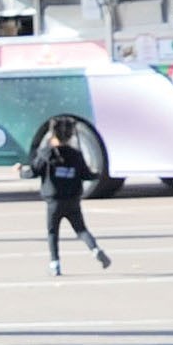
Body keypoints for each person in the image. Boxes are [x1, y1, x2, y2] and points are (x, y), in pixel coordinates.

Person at [30, 116, 111, 277]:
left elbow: (34, 171)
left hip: (54, 201)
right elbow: (87, 175)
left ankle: (55, 264)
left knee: (53, 233)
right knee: (81, 230)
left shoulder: (47, 154)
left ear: (53, 135)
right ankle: (95, 249)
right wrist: (96, 173)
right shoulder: (76, 155)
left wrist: (21, 171)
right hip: (73, 199)